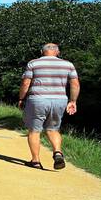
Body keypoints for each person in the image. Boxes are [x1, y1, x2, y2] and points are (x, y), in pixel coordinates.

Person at [17, 42, 79, 170]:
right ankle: (57, 152)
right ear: (58, 52)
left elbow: (25, 82)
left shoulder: (33, 63)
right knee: (53, 129)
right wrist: (73, 101)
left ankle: (35, 161)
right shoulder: (68, 64)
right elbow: (75, 84)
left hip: (38, 100)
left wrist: (21, 98)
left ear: (42, 52)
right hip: (60, 100)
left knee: (34, 130)